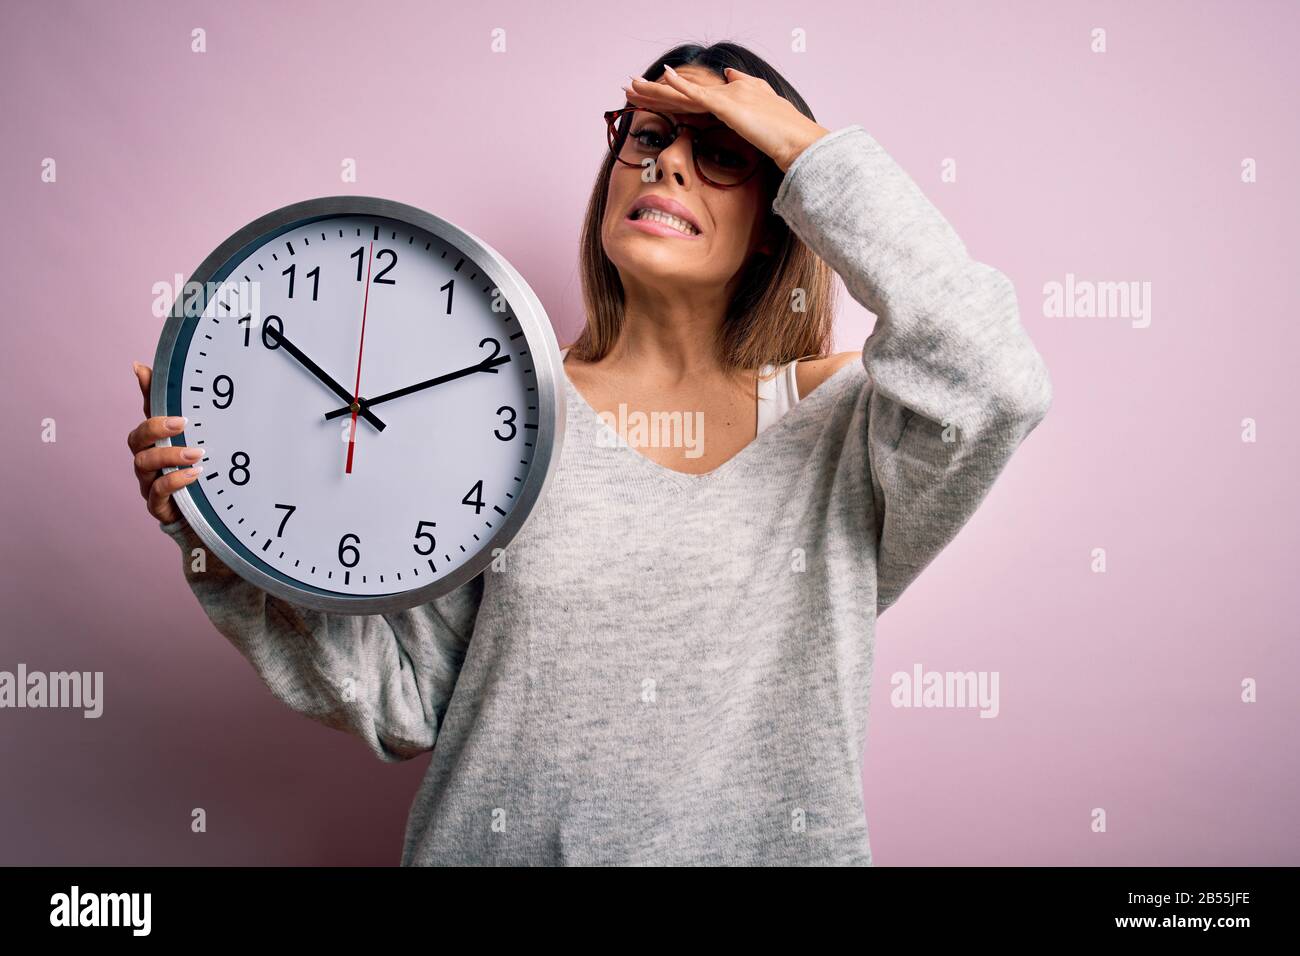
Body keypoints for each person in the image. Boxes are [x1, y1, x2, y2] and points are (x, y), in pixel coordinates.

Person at [126, 42, 1052, 865]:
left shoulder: (850, 425)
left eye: (720, 151)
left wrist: (810, 149)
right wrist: (222, 542)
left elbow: (995, 380)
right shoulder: (500, 420)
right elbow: (404, 703)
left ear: (781, 214)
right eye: (646, 138)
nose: (668, 165)